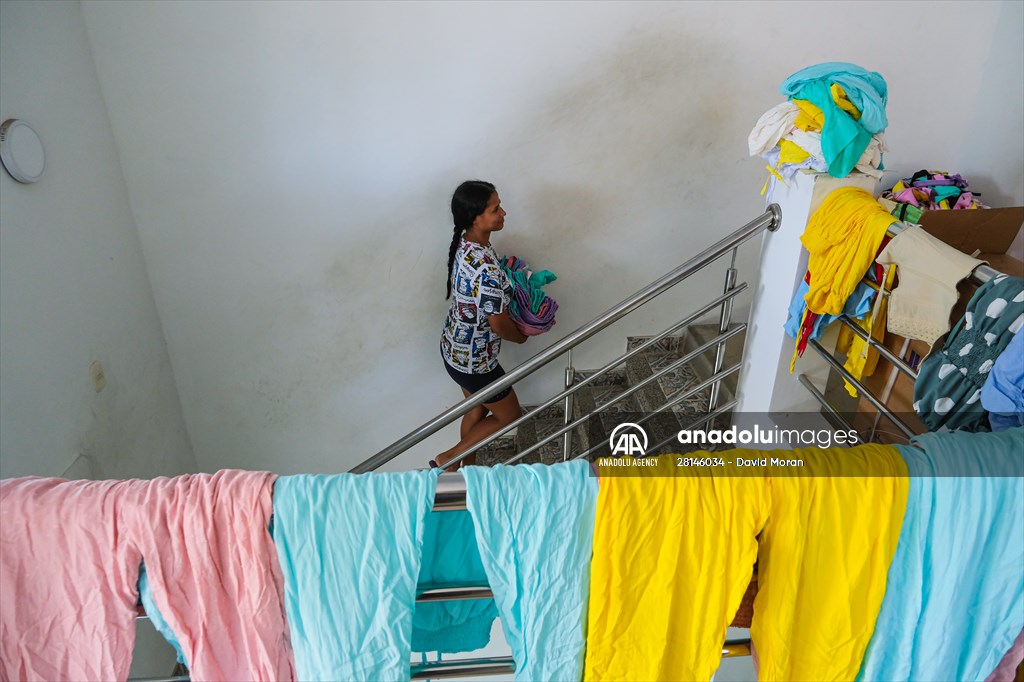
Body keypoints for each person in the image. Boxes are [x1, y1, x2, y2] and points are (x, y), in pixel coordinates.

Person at [434, 180, 527, 469]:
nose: (504, 213)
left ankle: (465, 469)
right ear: (476, 217)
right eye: (495, 209)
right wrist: (521, 336)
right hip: (475, 362)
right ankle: (449, 459)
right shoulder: (483, 266)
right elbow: (498, 325)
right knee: (508, 415)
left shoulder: (469, 244)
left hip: (454, 351)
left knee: (476, 409)